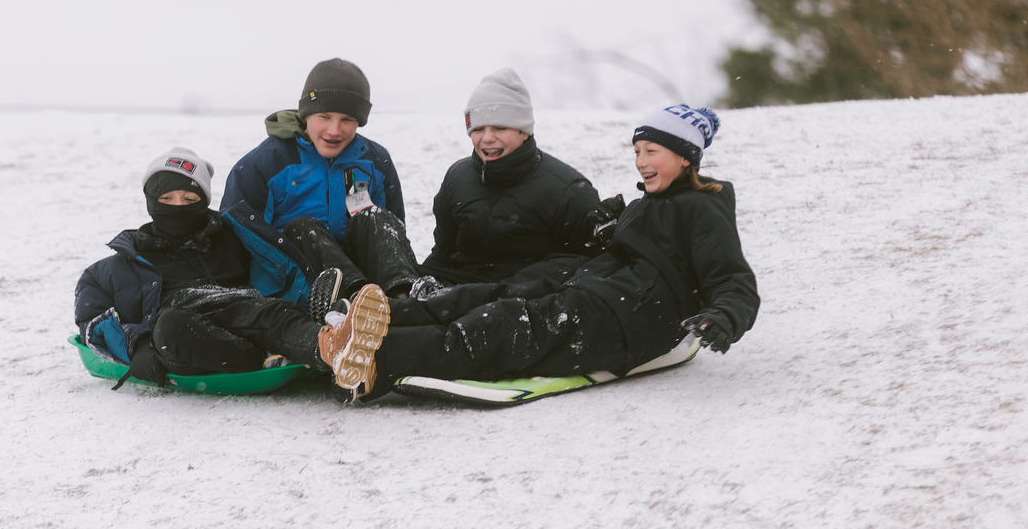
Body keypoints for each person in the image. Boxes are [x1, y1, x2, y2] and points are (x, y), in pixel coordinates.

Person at [311, 103, 761, 403]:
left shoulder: (703, 208)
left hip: (627, 320)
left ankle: (375, 356)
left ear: (686, 157)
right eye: (638, 150)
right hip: (593, 292)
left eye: (653, 152)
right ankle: (369, 320)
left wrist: (723, 317)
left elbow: (733, 279)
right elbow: (630, 250)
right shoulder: (650, 203)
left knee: (502, 329)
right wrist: (607, 230)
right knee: (488, 299)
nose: (642, 162)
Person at [75, 146, 391, 391]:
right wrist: (138, 344)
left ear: (204, 200)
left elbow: (279, 269)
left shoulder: (233, 236)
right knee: (171, 326)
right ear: (150, 200)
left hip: (250, 311)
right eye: (167, 198)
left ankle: (331, 345)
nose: (179, 206)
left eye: (190, 197)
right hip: (193, 341)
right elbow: (93, 323)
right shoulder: (113, 268)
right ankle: (282, 355)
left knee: (270, 311)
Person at [219, 58, 422, 304]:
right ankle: (352, 302)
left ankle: (406, 296)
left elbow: (393, 231)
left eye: (347, 119)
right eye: (324, 116)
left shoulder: (374, 161)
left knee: (375, 218)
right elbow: (237, 242)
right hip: (294, 284)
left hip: (369, 281)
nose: (334, 130)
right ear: (306, 114)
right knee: (302, 228)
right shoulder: (265, 164)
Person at [421, 67, 605, 286]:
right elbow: (443, 253)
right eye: (478, 129)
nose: (487, 138)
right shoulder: (457, 178)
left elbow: (586, 269)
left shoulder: (569, 191)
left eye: (500, 127)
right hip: (453, 292)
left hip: (519, 303)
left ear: (524, 130)